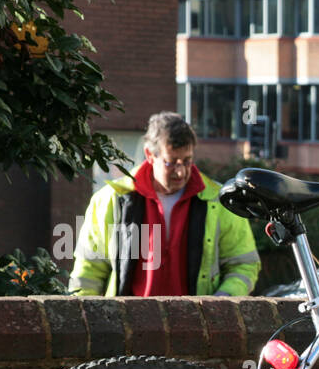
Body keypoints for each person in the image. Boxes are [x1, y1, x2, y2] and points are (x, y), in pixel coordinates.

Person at [70, 112, 259, 297]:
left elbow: (244, 264)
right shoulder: (110, 200)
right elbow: (88, 271)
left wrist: (221, 303)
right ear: (149, 155)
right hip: (128, 324)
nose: (180, 172)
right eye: (171, 163)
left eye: (187, 161)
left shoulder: (219, 201)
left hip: (198, 324)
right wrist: (85, 320)